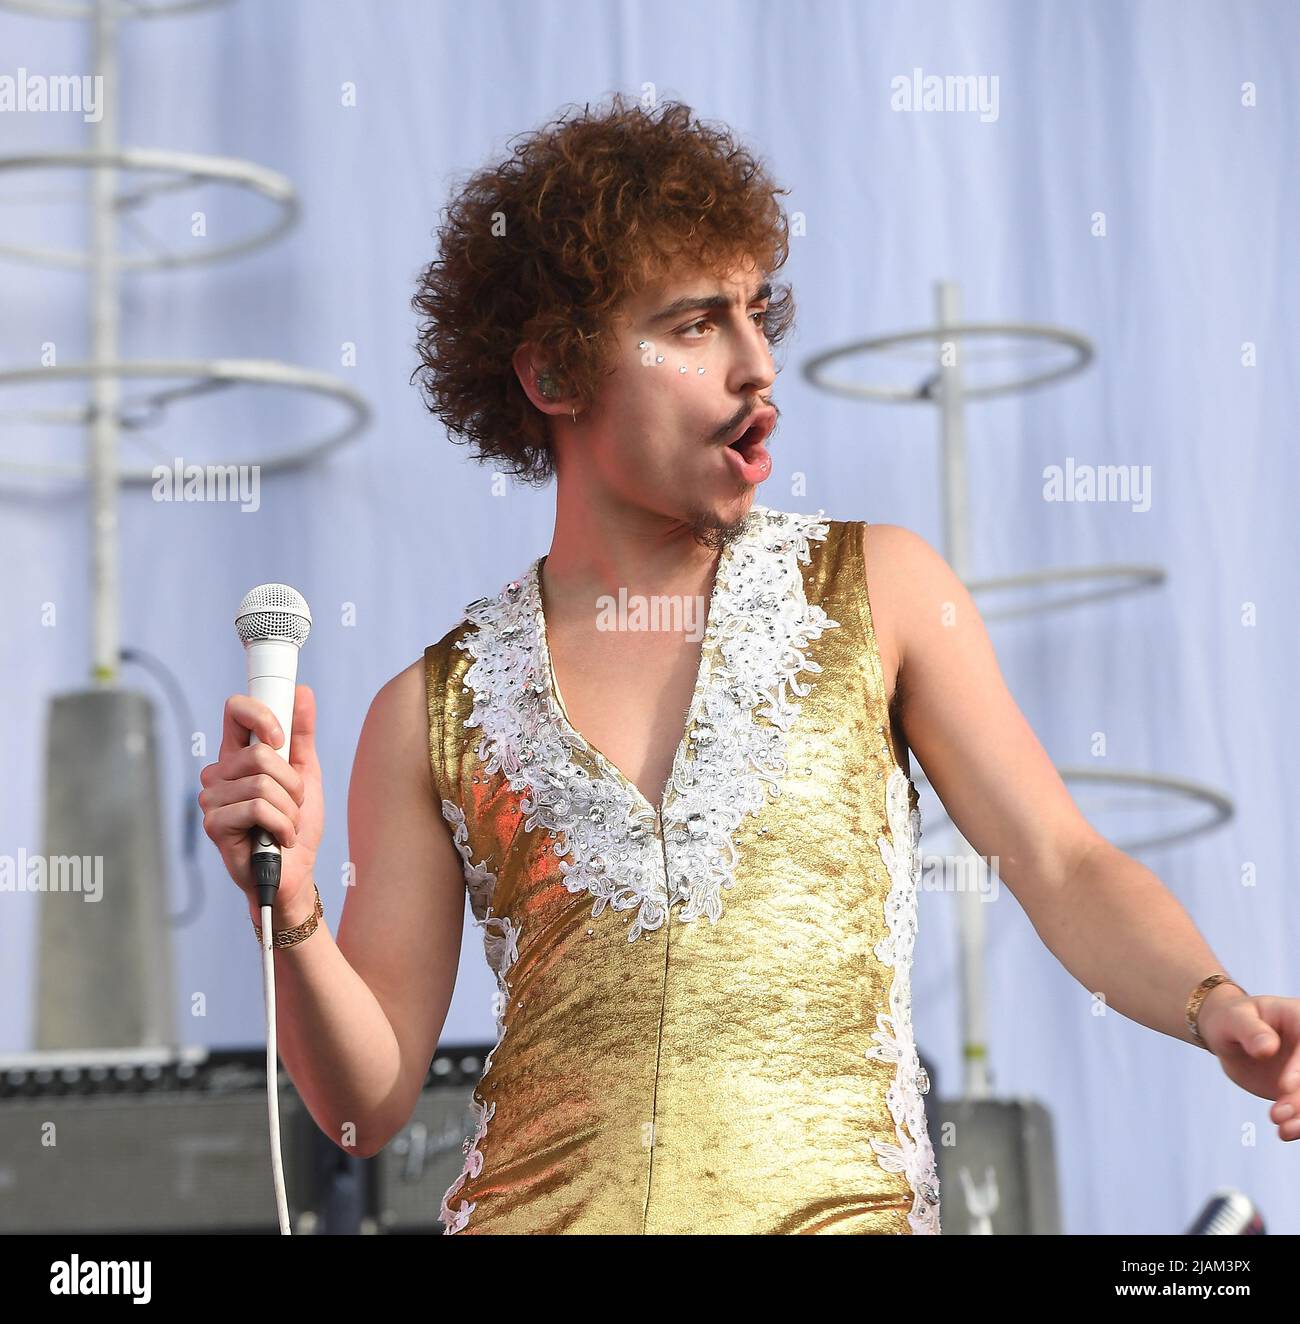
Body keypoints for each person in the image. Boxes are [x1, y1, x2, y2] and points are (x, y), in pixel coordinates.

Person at [200, 94, 1300, 1236]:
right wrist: (291, 911)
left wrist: (1212, 1001)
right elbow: (360, 1112)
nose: (757, 364)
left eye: (757, 311)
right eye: (693, 326)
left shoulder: (882, 588)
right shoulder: (427, 710)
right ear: (552, 377)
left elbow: (1060, 863)